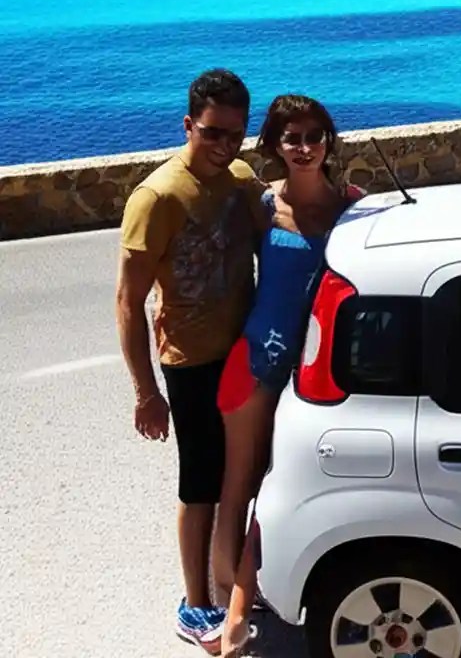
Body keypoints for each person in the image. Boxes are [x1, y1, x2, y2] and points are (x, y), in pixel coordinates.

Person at [115, 68, 266, 651]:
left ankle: (233, 576)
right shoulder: (156, 197)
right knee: (200, 483)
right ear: (187, 125)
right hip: (191, 362)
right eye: (212, 134)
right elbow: (128, 302)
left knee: (246, 473)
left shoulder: (241, 179)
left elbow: (277, 222)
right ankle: (195, 604)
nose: (225, 147)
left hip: (244, 353)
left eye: (236, 135)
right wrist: (145, 391)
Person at [210, 94, 365, 656]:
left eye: (314, 136)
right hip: (252, 363)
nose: (304, 148)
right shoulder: (261, 205)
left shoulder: (354, 206)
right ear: (275, 145)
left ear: (329, 141)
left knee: (282, 485)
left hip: (316, 370)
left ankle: (240, 605)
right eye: (292, 138)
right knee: (240, 484)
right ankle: (229, 601)